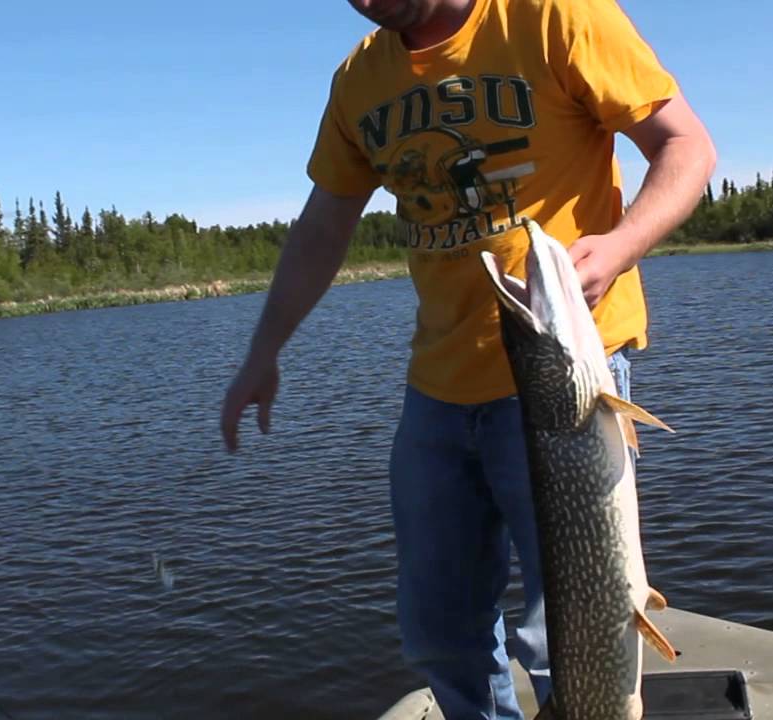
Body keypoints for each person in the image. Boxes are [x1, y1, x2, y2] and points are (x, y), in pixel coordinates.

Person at [220, 0, 716, 717]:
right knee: (441, 632)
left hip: (562, 386)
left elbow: (686, 145)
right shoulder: (361, 78)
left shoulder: (552, 16)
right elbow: (324, 222)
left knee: (572, 626)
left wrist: (618, 246)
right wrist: (262, 351)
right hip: (437, 396)